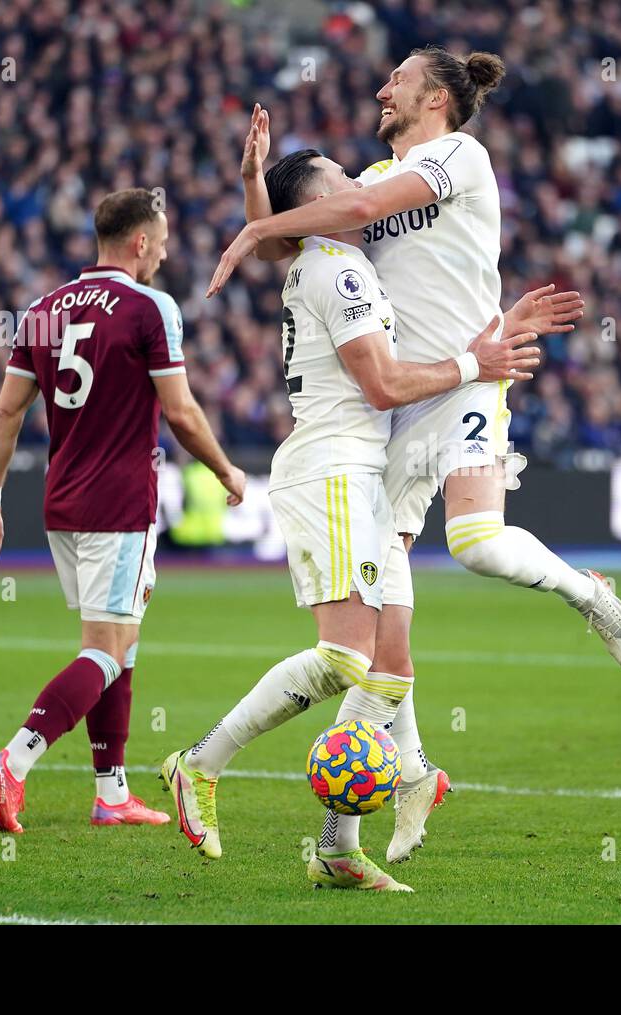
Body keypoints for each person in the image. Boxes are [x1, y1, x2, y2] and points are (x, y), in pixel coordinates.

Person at [210, 48, 621, 865]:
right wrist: (257, 188)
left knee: (477, 542)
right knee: (381, 635)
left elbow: (347, 209)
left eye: (397, 81)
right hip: (407, 402)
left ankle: (589, 592)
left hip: (475, 374)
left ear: (435, 96)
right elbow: (291, 245)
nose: (381, 89)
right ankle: (375, 807)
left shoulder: (456, 155)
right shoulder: (366, 182)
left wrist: (261, 220)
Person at [160, 149, 542, 891]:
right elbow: (383, 381)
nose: (360, 183)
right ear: (319, 200)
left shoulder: (323, 260)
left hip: (362, 474)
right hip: (334, 469)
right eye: (343, 177)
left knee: (391, 667)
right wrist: (476, 367)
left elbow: (271, 234)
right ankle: (199, 763)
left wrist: (249, 186)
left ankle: (339, 847)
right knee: (345, 660)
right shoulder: (337, 267)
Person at [0, 188, 248, 831]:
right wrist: (227, 469)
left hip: (62, 503)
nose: (168, 248)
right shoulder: (151, 307)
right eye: (165, 237)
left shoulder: (41, 309)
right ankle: (13, 760)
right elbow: (179, 410)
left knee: (121, 643)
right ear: (141, 242)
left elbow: (7, 412)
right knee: (105, 648)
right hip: (121, 502)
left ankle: (111, 792)